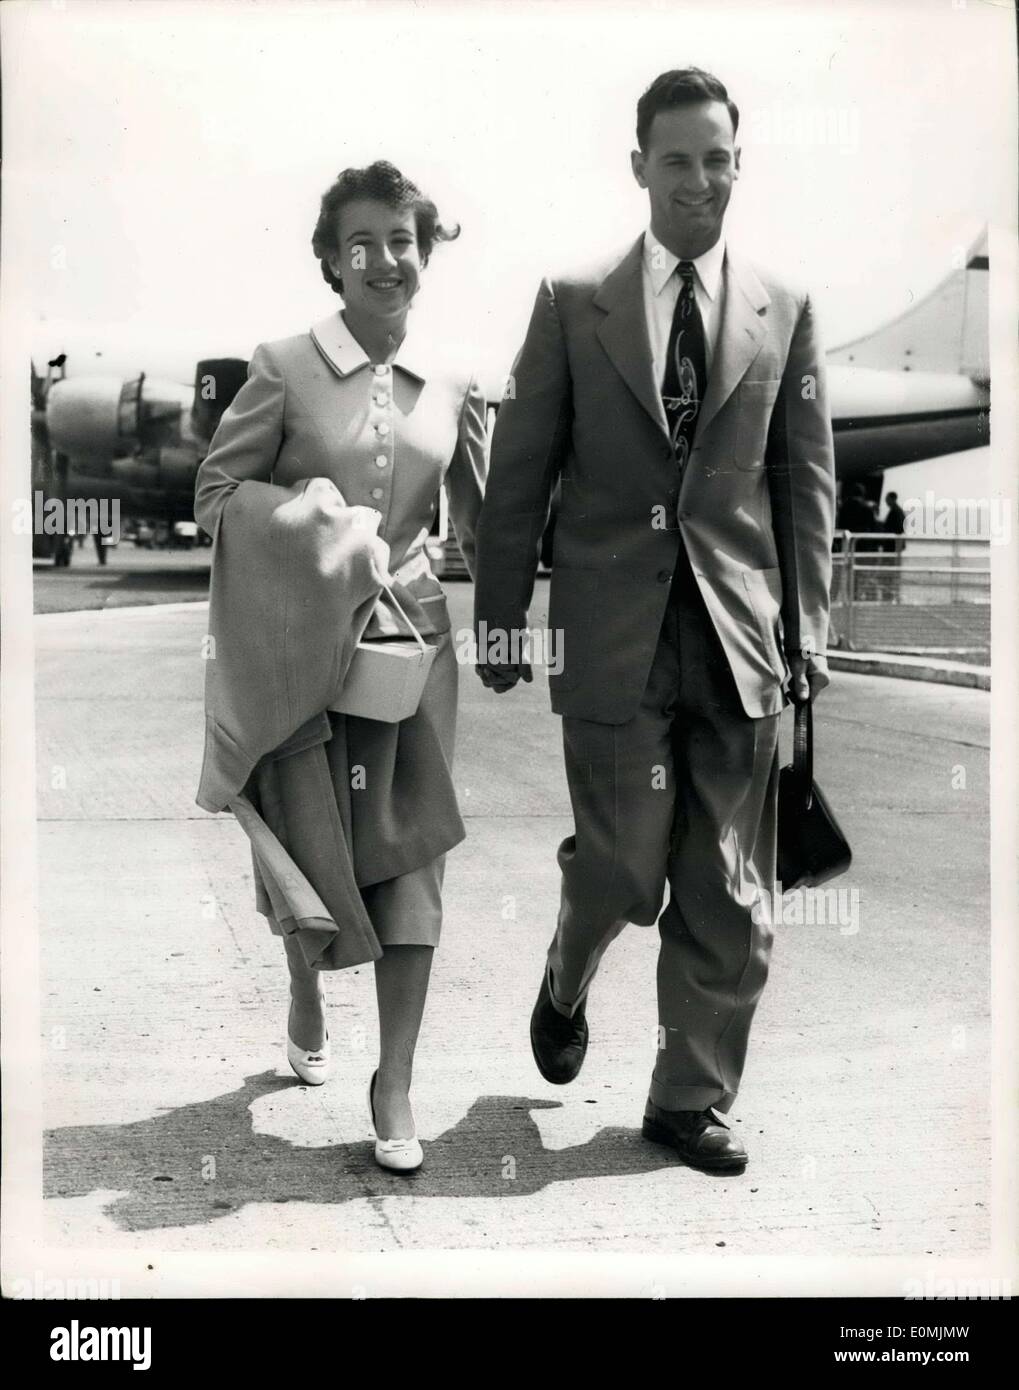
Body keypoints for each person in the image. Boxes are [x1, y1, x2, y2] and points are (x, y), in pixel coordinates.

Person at [474, 69, 835, 1172]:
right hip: (609, 634)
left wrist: (806, 625)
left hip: (738, 635)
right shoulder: (569, 299)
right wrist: (499, 615)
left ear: (739, 163)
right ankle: (566, 969)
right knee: (627, 867)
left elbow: (802, 480)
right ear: (637, 166)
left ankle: (686, 1098)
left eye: (715, 158)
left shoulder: (785, 309)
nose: (696, 180)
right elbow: (519, 472)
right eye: (673, 159)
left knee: (726, 886)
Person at [194, 161, 487, 1172]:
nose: (383, 259)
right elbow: (217, 492)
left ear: (425, 252)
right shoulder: (278, 364)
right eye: (359, 243)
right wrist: (320, 527)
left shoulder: (452, 383)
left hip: (414, 652)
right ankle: (305, 984)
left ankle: (394, 1079)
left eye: (402, 239)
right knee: (308, 836)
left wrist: (509, 629)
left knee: (411, 854)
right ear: (331, 260)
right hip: (304, 648)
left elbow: (490, 519)